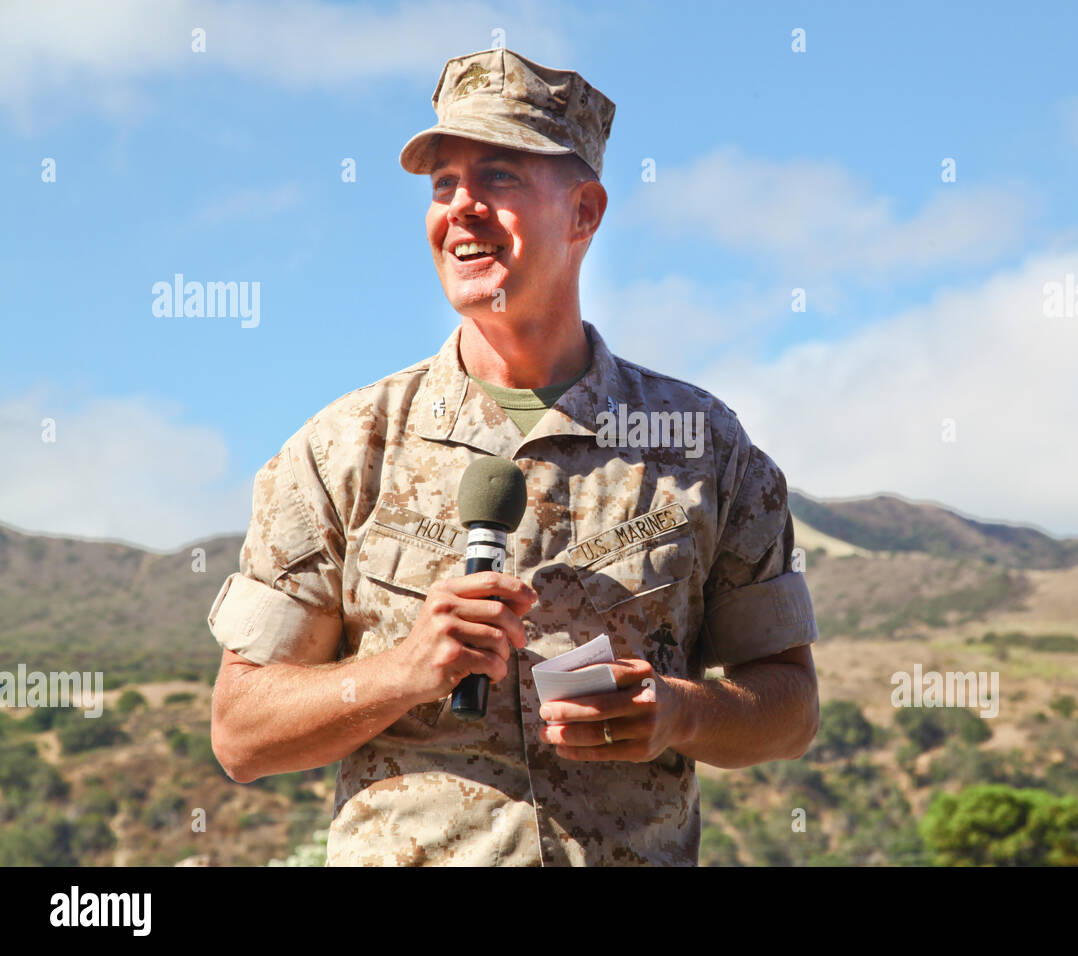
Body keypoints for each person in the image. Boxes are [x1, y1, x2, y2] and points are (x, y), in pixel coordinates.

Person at [207, 47, 819, 866]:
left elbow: (790, 705)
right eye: (442, 185)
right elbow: (242, 733)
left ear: (585, 212)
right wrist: (402, 671)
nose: (461, 209)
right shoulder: (342, 449)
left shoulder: (703, 447)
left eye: (498, 178)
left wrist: (681, 713)